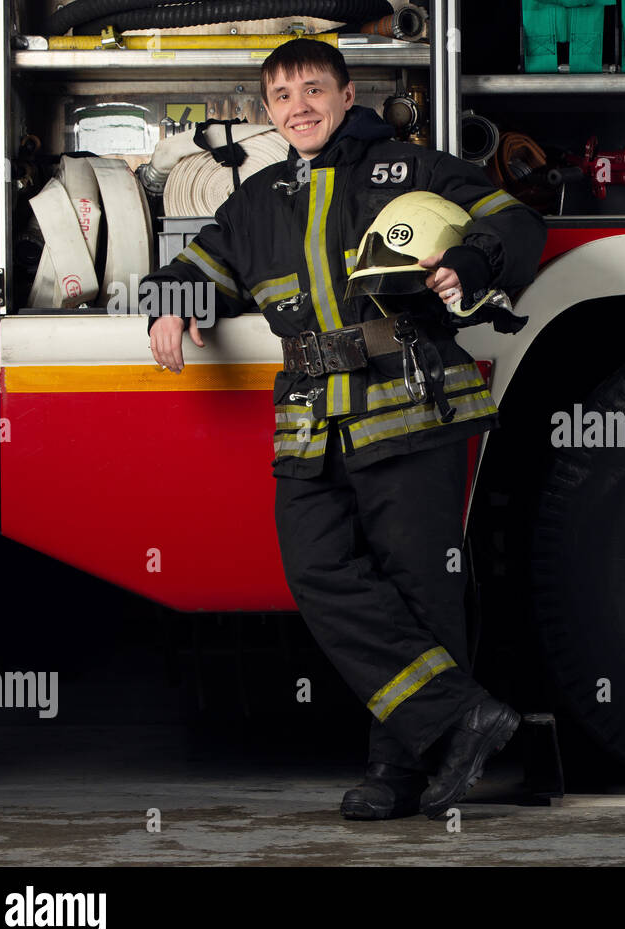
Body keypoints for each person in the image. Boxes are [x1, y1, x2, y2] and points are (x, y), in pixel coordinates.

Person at [143, 38, 547, 820]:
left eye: (313, 89)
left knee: (420, 588)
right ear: (267, 111)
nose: (299, 107)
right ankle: (459, 719)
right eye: (283, 96)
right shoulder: (255, 202)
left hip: (407, 401)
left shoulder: (408, 165)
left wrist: (472, 259)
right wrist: (169, 300)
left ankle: (398, 773)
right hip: (308, 421)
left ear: (345, 92)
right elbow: (193, 270)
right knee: (319, 572)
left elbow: (514, 220)